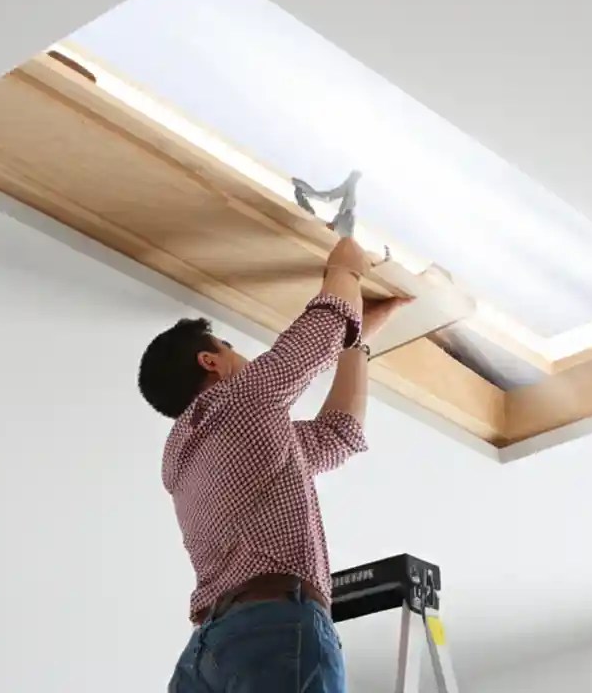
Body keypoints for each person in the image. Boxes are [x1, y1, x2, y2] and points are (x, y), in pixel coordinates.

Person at [139, 237, 410, 692]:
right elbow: (321, 331)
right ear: (210, 361)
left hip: (209, 651)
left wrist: (356, 345)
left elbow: (335, 436)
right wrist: (345, 268)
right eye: (230, 347)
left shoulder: (185, 456)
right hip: (271, 630)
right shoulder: (239, 399)